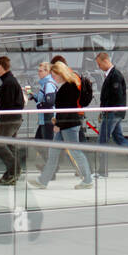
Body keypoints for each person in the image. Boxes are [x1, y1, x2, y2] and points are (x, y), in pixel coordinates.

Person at [30, 57, 93, 189]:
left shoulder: (68, 87)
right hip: (66, 124)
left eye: (54, 75)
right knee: (54, 152)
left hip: (69, 125)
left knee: (75, 152)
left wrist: (58, 124)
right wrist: (57, 121)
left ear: (60, 73)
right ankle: (43, 180)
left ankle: (88, 179)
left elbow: (67, 110)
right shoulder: (68, 86)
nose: (53, 78)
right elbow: (65, 110)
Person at [94, 52, 128, 177]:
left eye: (99, 64)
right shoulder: (112, 75)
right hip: (113, 112)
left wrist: (106, 110)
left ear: (105, 61)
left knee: (102, 141)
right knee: (119, 138)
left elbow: (116, 97)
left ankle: (102, 172)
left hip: (112, 113)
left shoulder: (115, 75)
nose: (99, 67)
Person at [0, 55, 26, 186]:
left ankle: (14, 170)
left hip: (9, 120)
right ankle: (11, 173)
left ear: (1, 67)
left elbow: (13, 103)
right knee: (10, 146)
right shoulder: (10, 81)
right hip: (13, 119)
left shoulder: (9, 83)